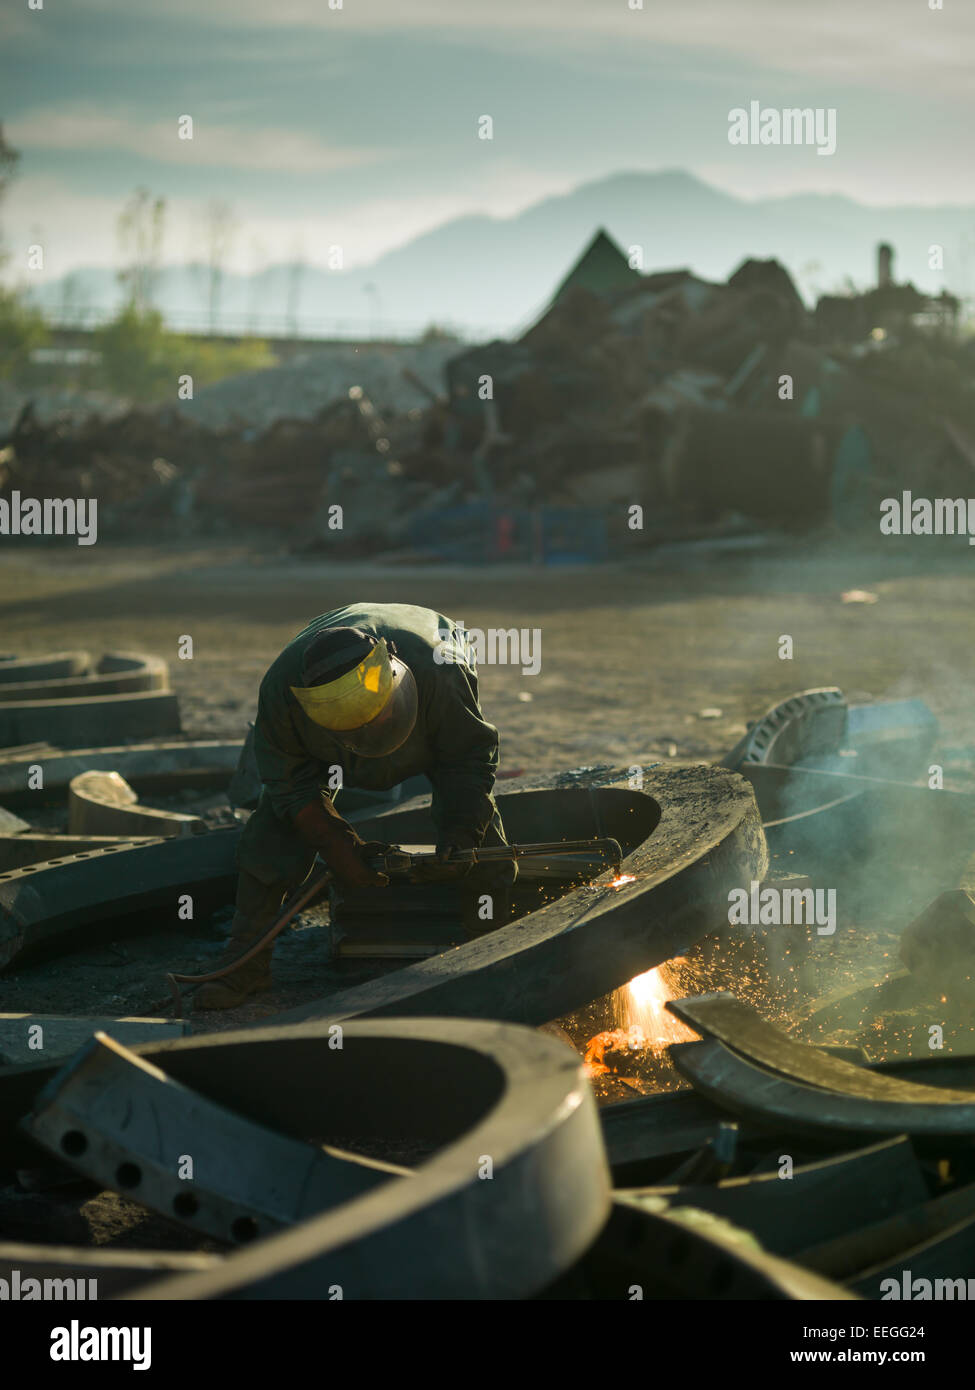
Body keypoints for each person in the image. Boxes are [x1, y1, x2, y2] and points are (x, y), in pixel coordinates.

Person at [194, 602, 511, 1009]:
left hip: (430, 674)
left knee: (480, 834)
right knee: (270, 836)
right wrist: (335, 842)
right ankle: (245, 963)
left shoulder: (441, 670)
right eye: (356, 729)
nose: (372, 736)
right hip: (322, 740)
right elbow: (291, 788)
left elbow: (469, 760)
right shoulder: (281, 695)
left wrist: (461, 831)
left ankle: (494, 949)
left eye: (378, 718)